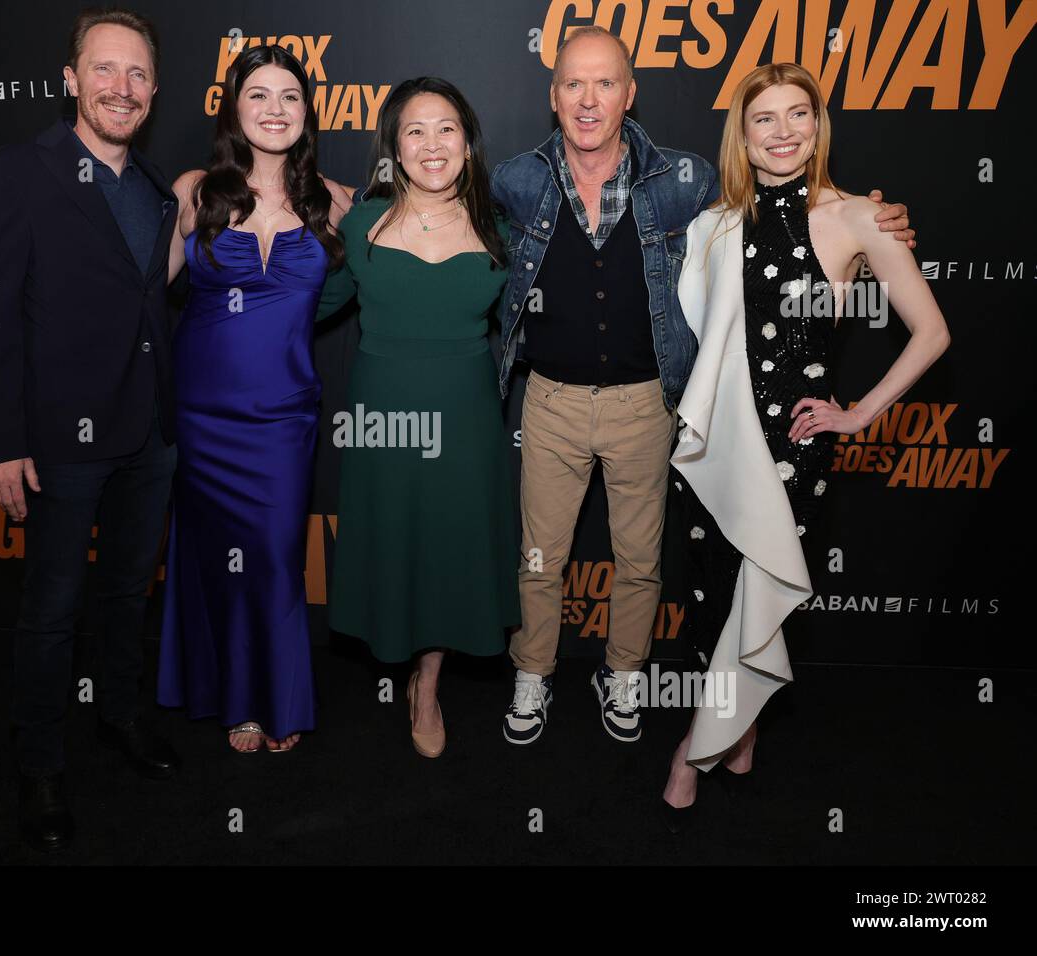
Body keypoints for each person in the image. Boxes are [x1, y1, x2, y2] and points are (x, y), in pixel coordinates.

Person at [490, 26, 915, 747]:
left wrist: (874, 227)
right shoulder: (515, 179)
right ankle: (533, 671)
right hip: (551, 401)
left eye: (605, 83)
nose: (588, 100)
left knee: (640, 560)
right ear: (552, 95)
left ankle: (623, 673)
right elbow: (440, 212)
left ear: (631, 93)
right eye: (573, 83)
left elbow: (774, 220)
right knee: (541, 557)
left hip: (649, 403)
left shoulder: (683, 179)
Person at [659, 62, 950, 830]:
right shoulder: (717, 222)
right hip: (715, 447)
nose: (783, 132)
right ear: (743, 135)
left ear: (819, 127)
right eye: (765, 119)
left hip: (793, 450)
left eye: (800, 115)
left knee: (758, 598)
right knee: (713, 598)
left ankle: (695, 745)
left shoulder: (858, 218)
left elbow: (932, 331)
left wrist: (857, 415)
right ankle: (740, 729)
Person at [0, 8, 180, 852]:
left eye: (135, 76)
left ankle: (118, 719)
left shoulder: (155, 187)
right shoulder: (24, 172)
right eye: (105, 70)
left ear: (153, 92)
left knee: (129, 593)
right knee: (51, 610)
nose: (120, 88)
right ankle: (41, 763)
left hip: (150, 432)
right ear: (71, 78)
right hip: (59, 440)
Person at [156, 44, 352, 754]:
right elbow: (145, 300)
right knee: (215, 554)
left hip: (283, 418)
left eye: (290, 97)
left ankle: (277, 694)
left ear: (307, 113)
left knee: (272, 556)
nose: (275, 109)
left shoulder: (335, 202)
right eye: (259, 95)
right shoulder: (194, 192)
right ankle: (239, 701)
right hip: (204, 418)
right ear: (234, 108)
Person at [318, 78, 520, 758]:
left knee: (449, 546)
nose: (432, 144)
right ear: (394, 148)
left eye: (446, 129)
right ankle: (400, 662)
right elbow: (314, 305)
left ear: (467, 142)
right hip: (383, 419)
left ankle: (427, 685)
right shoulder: (360, 222)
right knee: (397, 538)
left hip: (465, 419)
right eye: (415, 131)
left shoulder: (503, 226)